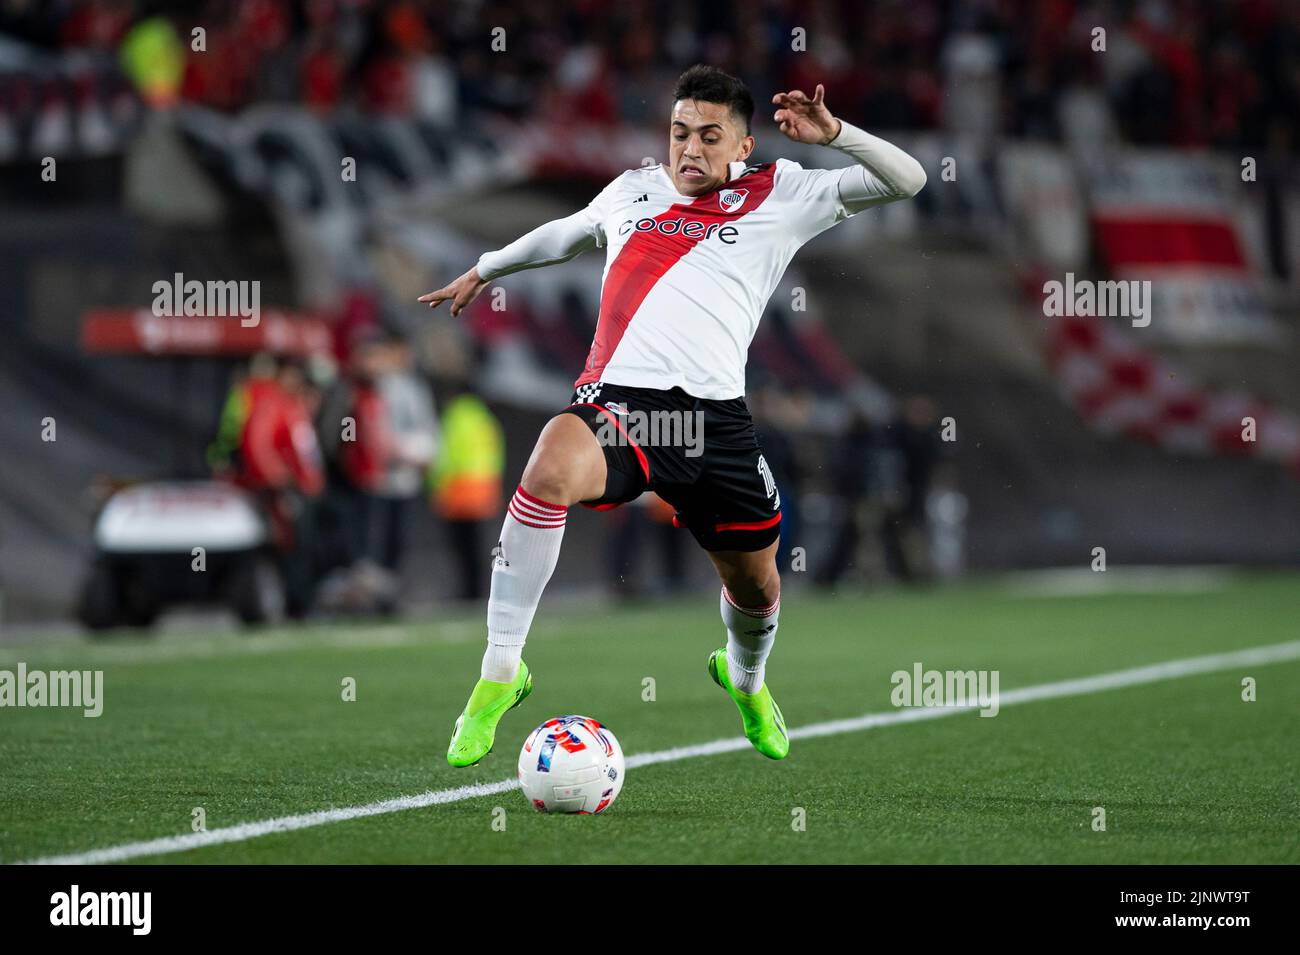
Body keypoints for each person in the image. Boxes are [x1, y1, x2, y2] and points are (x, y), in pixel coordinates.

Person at [419, 64, 926, 767]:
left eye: (709, 136)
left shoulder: (782, 193)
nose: (689, 149)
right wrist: (486, 267)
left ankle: (745, 681)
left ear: (742, 146)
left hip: (715, 425)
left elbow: (909, 180)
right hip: (622, 404)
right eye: (680, 132)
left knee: (756, 585)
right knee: (549, 464)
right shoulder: (634, 188)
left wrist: (835, 134)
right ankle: (500, 675)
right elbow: (566, 234)